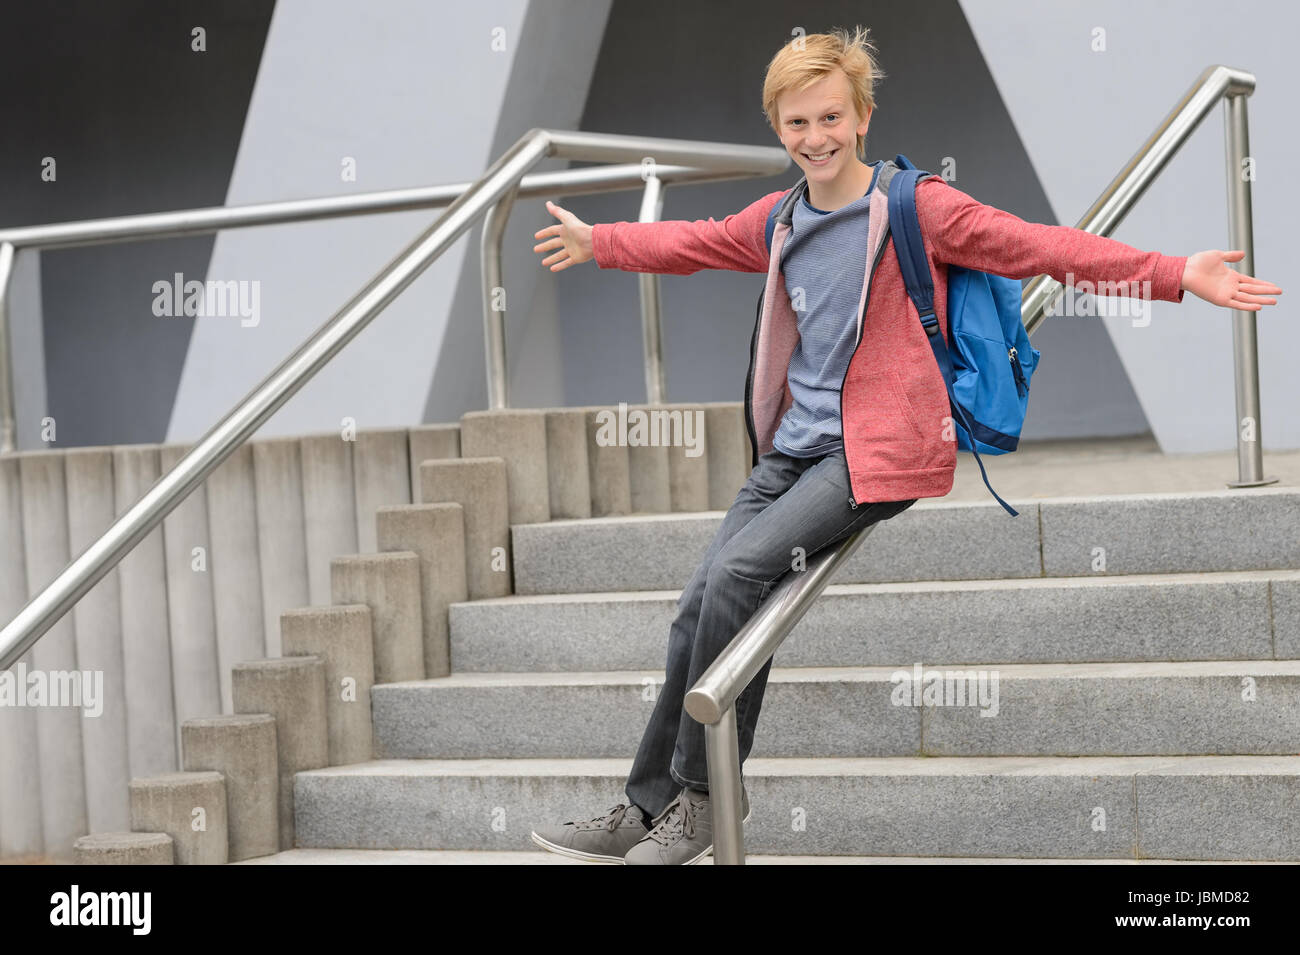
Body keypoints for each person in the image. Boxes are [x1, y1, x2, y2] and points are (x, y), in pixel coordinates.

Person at [527, 25, 1282, 866]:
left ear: (863, 116)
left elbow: (1042, 246)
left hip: (876, 454)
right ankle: (646, 804)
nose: (815, 139)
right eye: (796, 124)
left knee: (742, 572)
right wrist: (602, 244)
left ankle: (705, 800)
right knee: (699, 603)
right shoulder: (779, 218)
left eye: (830, 119)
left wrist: (1176, 273)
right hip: (790, 449)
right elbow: (694, 240)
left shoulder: (918, 207)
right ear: (777, 128)